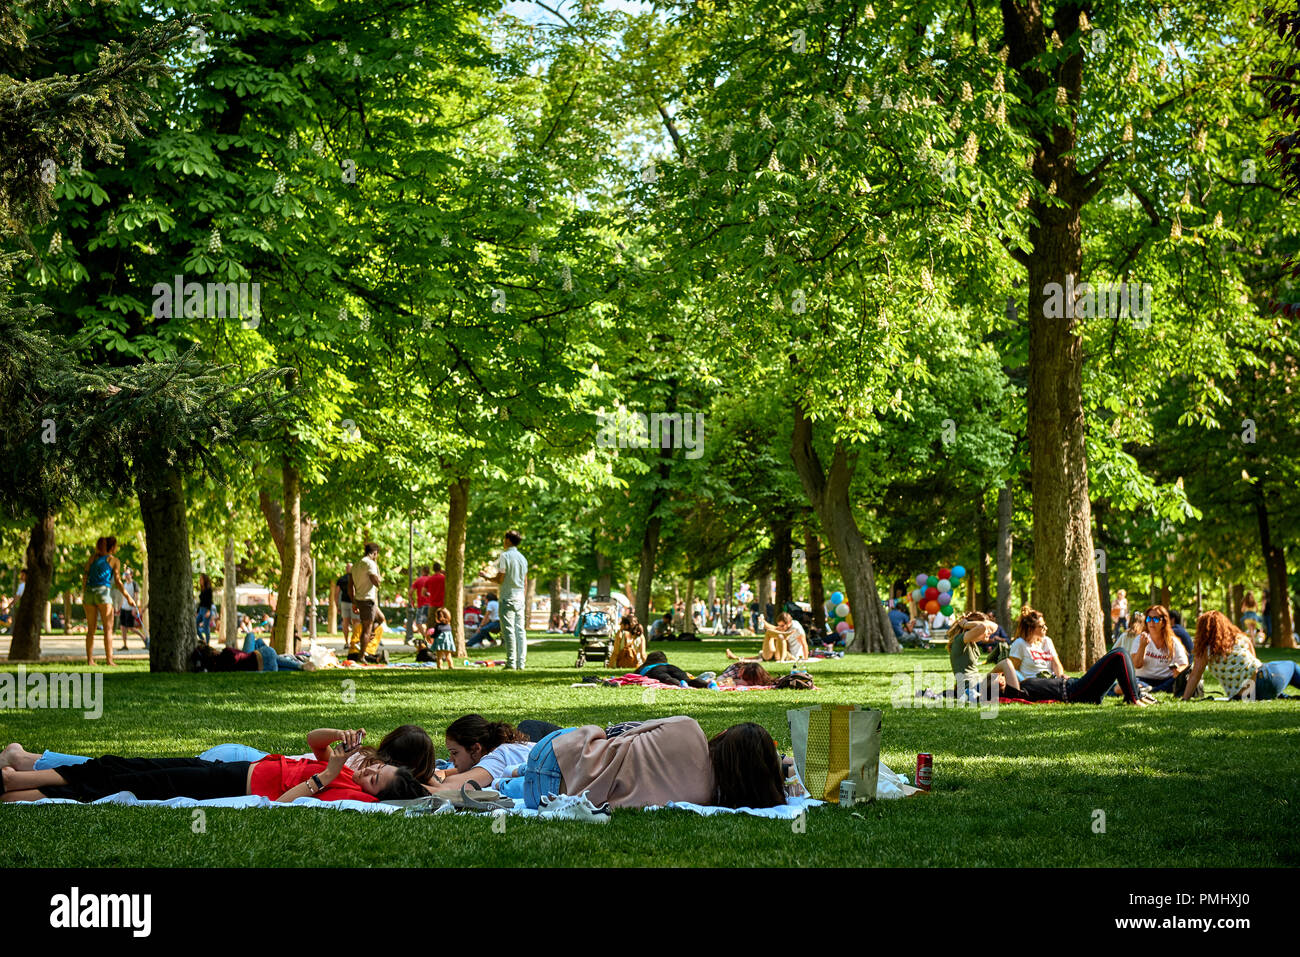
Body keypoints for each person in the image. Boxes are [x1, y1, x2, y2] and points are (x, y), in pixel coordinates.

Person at [1, 729, 431, 804]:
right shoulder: (350, 770)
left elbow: (282, 803)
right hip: (230, 770)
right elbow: (313, 742)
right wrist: (339, 747)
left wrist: (325, 776)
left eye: (376, 777)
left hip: (227, 785)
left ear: (378, 792)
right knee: (123, 766)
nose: (369, 772)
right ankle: (17, 778)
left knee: (124, 782)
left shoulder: (349, 790)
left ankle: (17, 789)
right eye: (376, 768)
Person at [515, 717, 787, 810]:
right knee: (518, 781)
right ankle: (511, 780)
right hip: (540, 796)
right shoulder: (702, 798)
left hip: (552, 753)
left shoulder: (688, 728)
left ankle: (516, 771)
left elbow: (623, 732)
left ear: (722, 736)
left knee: (534, 729)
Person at [1181, 610, 1300, 701]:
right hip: (1265, 681)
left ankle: (1281, 695)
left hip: (1246, 695)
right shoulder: (1240, 638)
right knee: (1292, 666)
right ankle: (1278, 692)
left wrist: (1185, 699)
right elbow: (1255, 663)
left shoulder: (1205, 651)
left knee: (1268, 671)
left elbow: (1194, 676)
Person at [434, 715, 535, 790]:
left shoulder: (497, 758)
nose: (451, 759)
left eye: (455, 753)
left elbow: (454, 785)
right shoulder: (506, 749)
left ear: (476, 749)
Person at [82, 537, 139, 666]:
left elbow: (85, 576)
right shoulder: (114, 560)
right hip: (103, 593)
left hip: (89, 594)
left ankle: (90, 660)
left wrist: (84, 591)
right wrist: (128, 597)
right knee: (108, 629)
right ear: (112, 547)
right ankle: (109, 660)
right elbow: (118, 582)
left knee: (91, 629)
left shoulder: (92, 558)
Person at [480, 531, 528, 670]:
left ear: (508, 540)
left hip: (507, 596)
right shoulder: (522, 558)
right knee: (520, 630)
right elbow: (525, 581)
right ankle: (521, 663)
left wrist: (487, 577)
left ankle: (511, 662)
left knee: (508, 630)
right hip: (519, 597)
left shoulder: (505, 556)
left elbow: (500, 578)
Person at [1128, 604, 1190, 695]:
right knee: (1121, 687)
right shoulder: (1140, 639)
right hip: (1143, 679)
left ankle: (1150, 690)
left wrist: (1179, 670)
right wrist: (1142, 646)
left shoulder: (1173, 641)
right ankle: (1149, 689)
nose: (1151, 622)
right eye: (1149, 619)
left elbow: (1185, 664)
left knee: (1179, 682)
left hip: (1166, 680)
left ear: (1164, 622)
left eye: (1156, 619)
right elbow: (1137, 665)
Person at [1001, 607, 1064, 683]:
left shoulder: (1047, 641)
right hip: (1033, 684)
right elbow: (1013, 671)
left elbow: (1056, 665)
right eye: (1041, 626)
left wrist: (1061, 679)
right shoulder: (1020, 644)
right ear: (1031, 629)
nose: (1046, 628)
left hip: (1052, 682)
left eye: (1045, 625)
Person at [349, 543, 382, 663]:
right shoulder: (370, 563)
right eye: (376, 555)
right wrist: (379, 580)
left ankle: (367, 638)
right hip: (367, 600)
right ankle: (361, 655)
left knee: (381, 619)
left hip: (360, 599)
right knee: (366, 629)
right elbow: (375, 580)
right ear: (374, 553)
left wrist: (354, 602)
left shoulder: (356, 565)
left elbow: (350, 586)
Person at [635, 650, 716, 688]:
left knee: (667, 678)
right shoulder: (667, 664)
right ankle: (708, 684)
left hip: (656, 670)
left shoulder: (644, 667)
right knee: (688, 680)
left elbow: (634, 676)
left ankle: (680, 684)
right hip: (672, 667)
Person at [335, 564, 354, 643]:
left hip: (344, 603)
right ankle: (354, 642)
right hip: (354, 602)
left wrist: (337, 606)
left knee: (345, 622)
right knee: (356, 622)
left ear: (346, 569)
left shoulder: (341, 579)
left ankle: (347, 642)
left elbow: (336, 594)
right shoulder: (355, 578)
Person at [196, 573, 215, 643]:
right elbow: (201, 602)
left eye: (201, 579)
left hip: (206, 610)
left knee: (206, 628)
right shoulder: (202, 589)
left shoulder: (209, 589)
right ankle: (202, 639)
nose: (200, 580)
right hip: (201, 610)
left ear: (205, 580)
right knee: (195, 625)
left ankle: (207, 643)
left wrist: (209, 611)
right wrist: (197, 612)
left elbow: (210, 601)